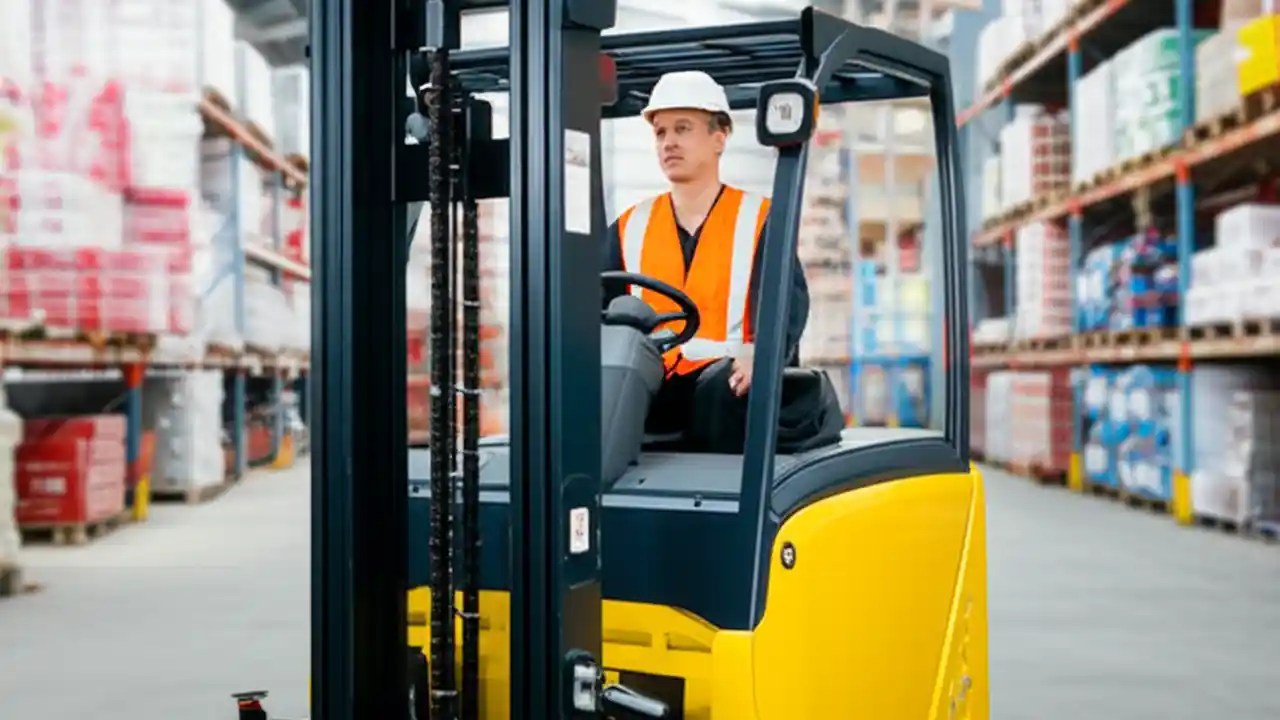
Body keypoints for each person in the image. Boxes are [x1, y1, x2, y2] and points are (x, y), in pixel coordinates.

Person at [602, 70, 810, 452]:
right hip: (649, 393)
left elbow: (785, 311)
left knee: (721, 398)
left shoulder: (760, 220)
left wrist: (761, 355)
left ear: (720, 137)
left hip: (727, 393)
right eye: (661, 132)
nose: (669, 143)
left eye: (683, 129)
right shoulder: (628, 225)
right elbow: (600, 313)